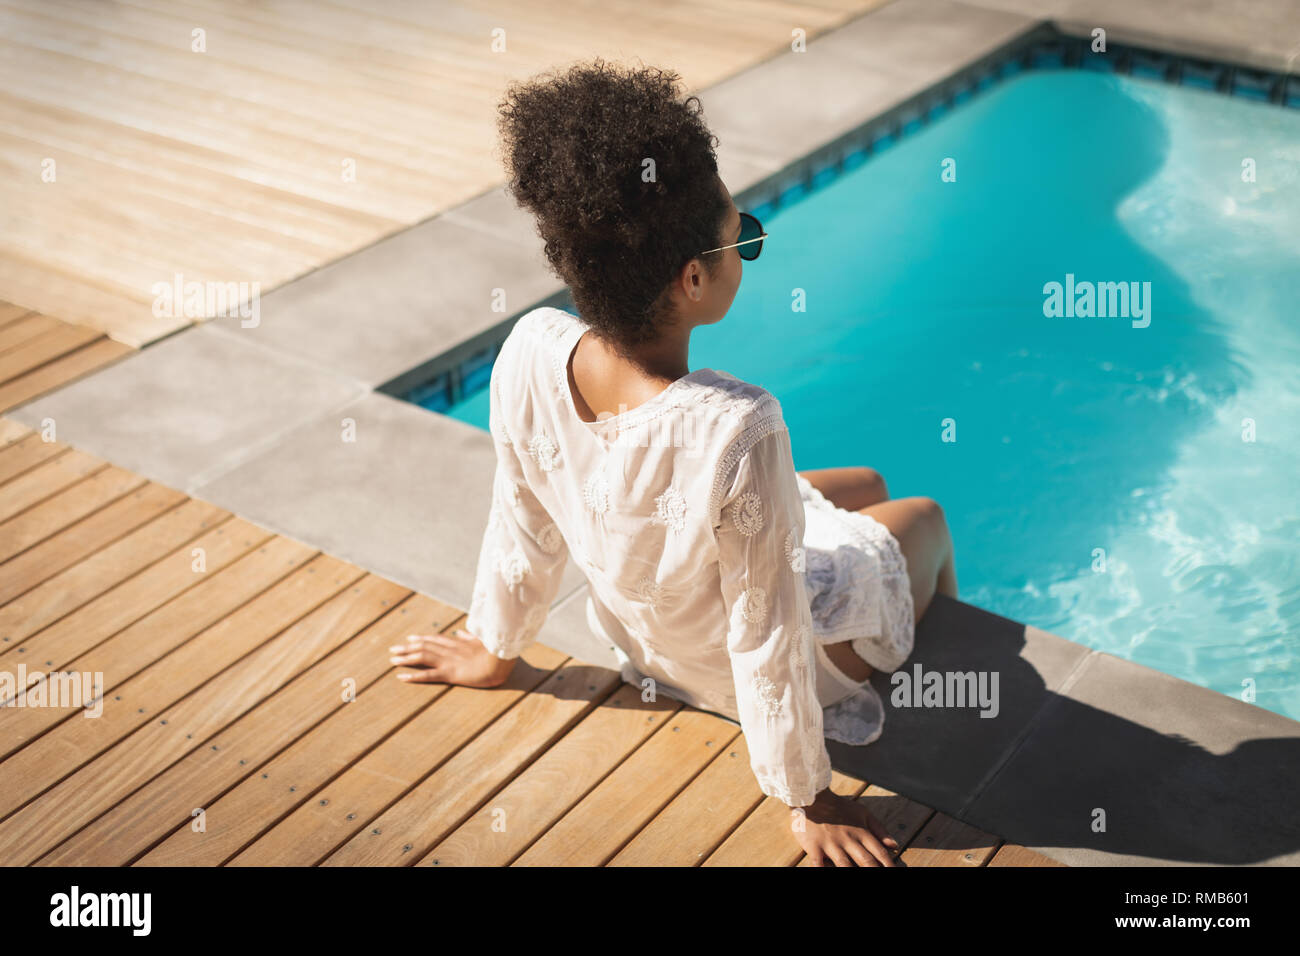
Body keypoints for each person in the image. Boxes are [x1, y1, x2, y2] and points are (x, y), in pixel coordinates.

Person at [387, 59, 957, 867]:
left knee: (863, 485)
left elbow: (524, 515)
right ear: (694, 278)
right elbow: (765, 632)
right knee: (924, 516)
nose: (747, 249)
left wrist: (494, 647)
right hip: (748, 662)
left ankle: (906, 619)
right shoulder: (739, 425)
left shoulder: (527, 349)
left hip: (648, 639)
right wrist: (808, 795)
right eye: (743, 240)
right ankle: (945, 656)